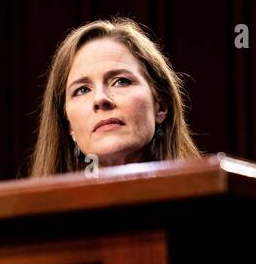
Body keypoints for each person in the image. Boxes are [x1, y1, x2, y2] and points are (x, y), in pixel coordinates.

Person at [29, 17, 200, 176]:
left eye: (121, 81)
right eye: (82, 90)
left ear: (160, 106)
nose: (100, 99)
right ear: (69, 126)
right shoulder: (40, 209)